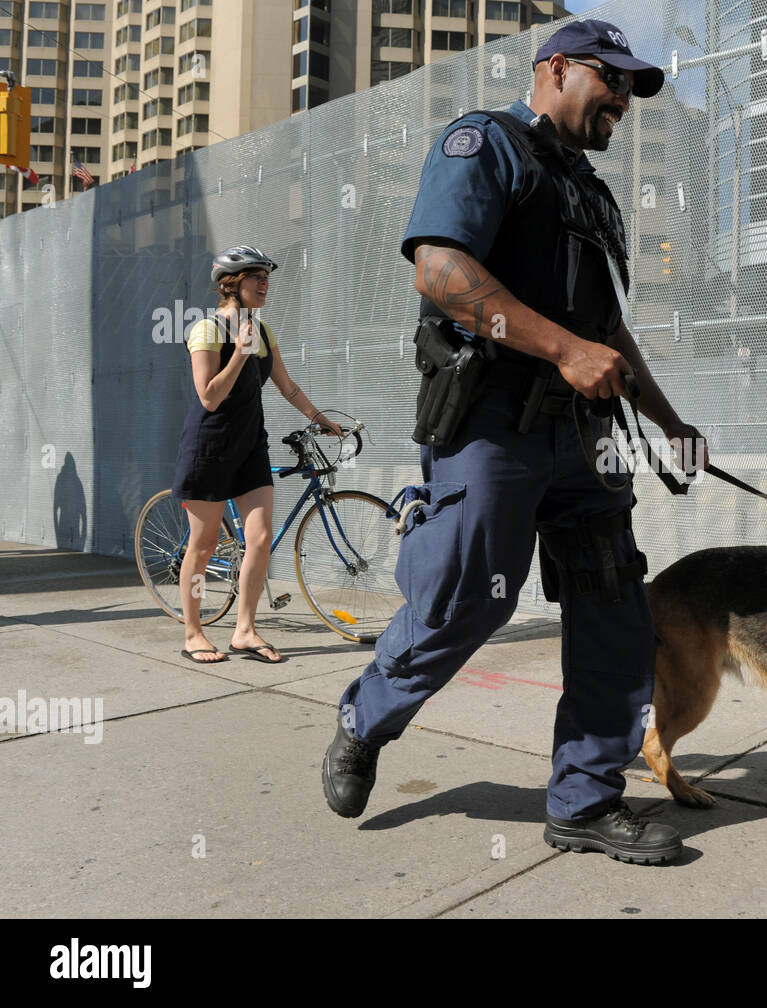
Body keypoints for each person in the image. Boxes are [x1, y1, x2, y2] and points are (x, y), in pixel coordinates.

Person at [323, 20, 708, 865]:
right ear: (557, 68)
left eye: (633, 92)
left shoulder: (595, 194)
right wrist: (564, 349)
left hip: (588, 437)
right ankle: (365, 717)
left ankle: (585, 800)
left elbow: (607, 331)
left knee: (613, 610)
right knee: (467, 597)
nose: (623, 102)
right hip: (492, 422)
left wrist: (669, 422)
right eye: (612, 82)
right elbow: (439, 269)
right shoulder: (484, 145)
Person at [171, 245, 342, 665]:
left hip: (250, 446)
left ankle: (244, 630)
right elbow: (209, 397)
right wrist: (240, 353)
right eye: (256, 278)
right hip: (209, 446)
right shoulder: (208, 330)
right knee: (205, 543)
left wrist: (320, 417)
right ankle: (194, 632)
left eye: (267, 278)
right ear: (231, 284)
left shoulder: (263, 331)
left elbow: (286, 385)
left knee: (260, 539)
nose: (265, 284)